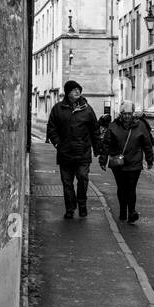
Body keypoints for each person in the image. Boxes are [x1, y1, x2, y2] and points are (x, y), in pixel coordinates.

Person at [46, 80, 100, 219]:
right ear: (67, 92)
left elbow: (95, 130)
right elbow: (52, 128)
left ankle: (82, 205)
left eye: (79, 89)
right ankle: (70, 208)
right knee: (67, 183)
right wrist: (58, 144)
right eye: (74, 90)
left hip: (83, 152)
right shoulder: (58, 109)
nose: (77, 92)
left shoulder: (87, 109)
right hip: (65, 153)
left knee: (83, 178)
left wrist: (97, 148)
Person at [99, 100, 154, 223]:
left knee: (131, 188)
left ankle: (132, 212)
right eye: (124, 113)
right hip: (118, 163)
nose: (127, 116)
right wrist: (103, 160)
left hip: (134, 162)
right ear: (121, 114)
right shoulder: (114, 126)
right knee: (121, 187)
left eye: (129, 113)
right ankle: (123, 210)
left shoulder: (140, 126)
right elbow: (106, 144)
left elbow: (147, 144)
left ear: (133, 113)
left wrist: (150, 160)